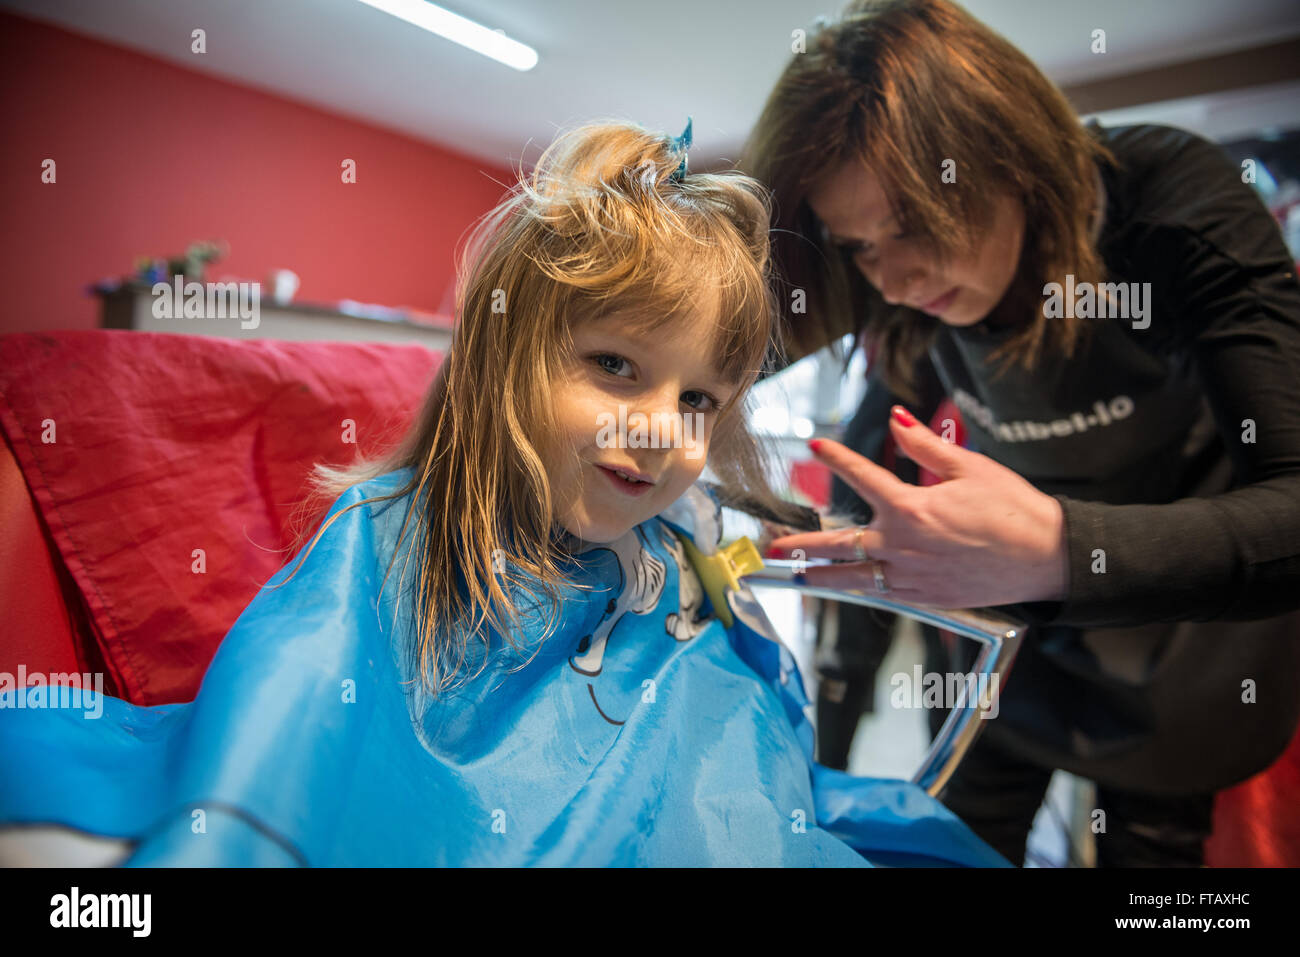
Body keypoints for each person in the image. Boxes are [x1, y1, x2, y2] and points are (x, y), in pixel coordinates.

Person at [0, 119, 1007, 867]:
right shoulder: (391, 538)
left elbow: (726, 713)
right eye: (614, 365)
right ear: (498, 360)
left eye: (699, 397)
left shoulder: (669, 546)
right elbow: (287, 732)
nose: (663, 428)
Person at [743, 0, 1300, 866]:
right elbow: (713, 354)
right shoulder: (907, 284)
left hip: (1185, 635)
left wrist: (1063, 548)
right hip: (1020, 636)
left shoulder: (1173, 206)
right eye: (856, 246)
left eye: (913, 226)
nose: (890, 278)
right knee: (956, 841)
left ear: (1017, 155)